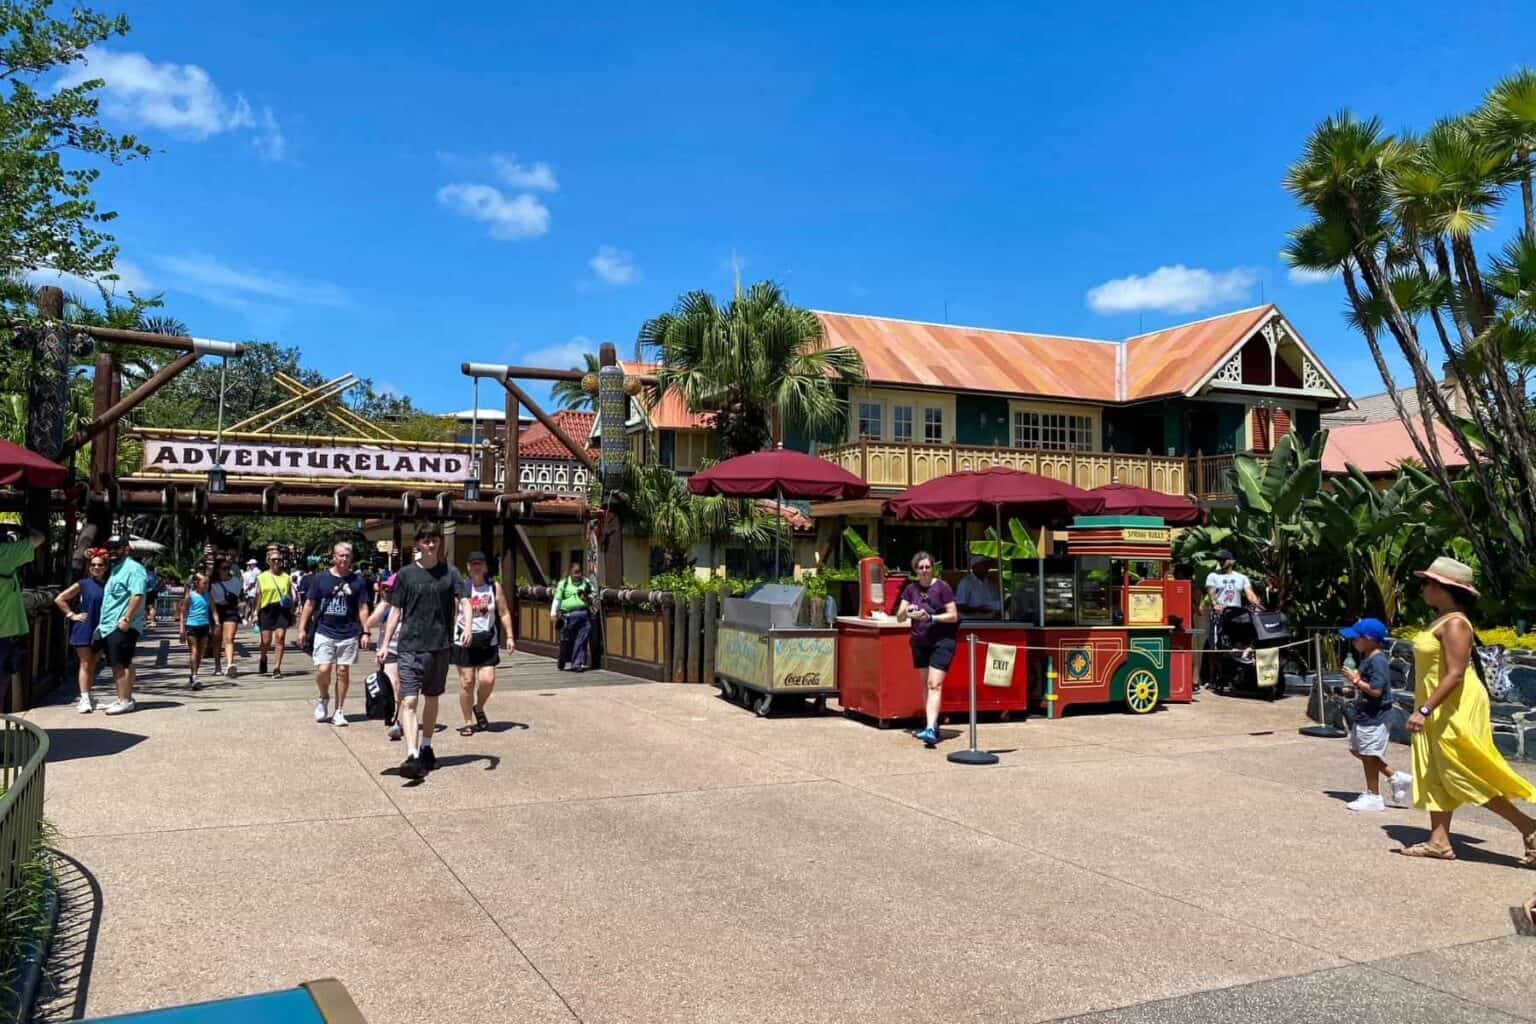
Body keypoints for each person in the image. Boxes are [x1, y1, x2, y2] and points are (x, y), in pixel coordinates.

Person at [1397, 557, 1536, 862]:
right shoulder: (1440, 619)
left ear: (1444, 588)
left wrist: (1424, 709)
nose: (1422, 588)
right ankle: (1439, 842)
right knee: (1435, 769)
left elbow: (1455, 673)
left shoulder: (1456, 623)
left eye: (1427, 582)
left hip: (1454, 704)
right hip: (1440, 705)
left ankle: (1529, 827)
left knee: (1462, 771)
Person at [381, 523, 469, 780]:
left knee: (432, 698)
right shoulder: (406, 574)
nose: (430, 544)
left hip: (440, 647)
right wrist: (385, 643)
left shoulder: (450, 573)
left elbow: (463, 600)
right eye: (425, 540)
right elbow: (396, 611)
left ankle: (427, 745)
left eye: (434, 540)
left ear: (439, 542)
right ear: (417, 544)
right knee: (409, 700)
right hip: (410, 647)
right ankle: (411, 754)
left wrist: (468, 626)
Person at [1338, 617, 1411, 812]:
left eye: (1357, 638)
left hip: (1375, 716)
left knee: (1369, 754)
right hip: (1365, 713)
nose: (1353, 642)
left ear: (1369, 639)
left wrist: (1355, 681)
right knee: (1358, 750)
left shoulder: (1378, 660)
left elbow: (1377, 691)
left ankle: (1374, 795)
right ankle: (1395, 777)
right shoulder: (1368, 658)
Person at [297, 542, 371, 727]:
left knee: (343, 671)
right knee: (323, 669)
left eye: (347, 555)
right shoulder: (321, 578)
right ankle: (323, 697)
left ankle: (339, 710)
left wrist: (366, 631)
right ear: (334, 557)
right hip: (325, 629)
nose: (344, 559)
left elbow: (363, 607)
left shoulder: (358, 581)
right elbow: (309, 604)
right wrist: (301, 629)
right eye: (340, 555)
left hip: (349, 631)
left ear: (351, 557)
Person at [895, 551, 958, 749]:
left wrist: (930, 618)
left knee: (934, 684)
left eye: (927, 567)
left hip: (942, 641)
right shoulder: (910, 589)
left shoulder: (942, 587)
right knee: (925, 685)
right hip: (919, 642)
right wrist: (909, 610)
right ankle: (932, 723)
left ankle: (930, 729)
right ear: (915, 570)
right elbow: (899, 616)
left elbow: (953, 615)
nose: (924, 571)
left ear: (933, 568)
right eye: (920, 568)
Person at [453, 551, 515, 735]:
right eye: (473, 564)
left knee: (487, 680)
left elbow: (503, 612)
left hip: (487, 640)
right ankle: (467, 722)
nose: (476, 567)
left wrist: (510, 636)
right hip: (464, 640)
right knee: (467, 682)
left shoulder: (494, 587)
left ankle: (478, 707)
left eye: (480, 563)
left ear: (486, 566)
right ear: (468, 567)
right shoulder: (462, 587)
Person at [95, 535, 148, 715]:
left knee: (121, 664)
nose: (112, 551)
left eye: (116, 547)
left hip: (123, 624)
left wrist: (126, 618)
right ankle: (123, 697)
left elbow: (137, 595)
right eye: (109, 547)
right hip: (109, 624)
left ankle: (125, 701)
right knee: (118, 663)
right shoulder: (116, 569)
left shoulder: (134, 569)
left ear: (126, 549)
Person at [54, 550, 107, 713]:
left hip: (101, 628)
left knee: (93, 664)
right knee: (84, 663)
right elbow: (59, 598)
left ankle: (89, 696)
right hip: (84, 627)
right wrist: (72, 615)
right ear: (89, 567)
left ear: (105, 567)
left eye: (100, 565)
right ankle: (83, 698)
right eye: (93, 565)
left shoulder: (109, 584)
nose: (96, 567)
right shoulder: (82, 583)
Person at [366, 573, 404, 740]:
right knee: (394, 685)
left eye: (392, 588)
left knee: (405, 688)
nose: (389, 590)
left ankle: (401, 717)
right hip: (389, 651)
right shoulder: (385, 606)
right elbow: (370, 622)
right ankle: (395, 721)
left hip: (409, 649)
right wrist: (385, 603)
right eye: (386, 588)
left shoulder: (409, 603)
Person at [255, 552, 295, 677]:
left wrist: (292, 611)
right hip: (267, 609)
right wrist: (255, 613)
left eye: (279, 559)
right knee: (266, 641)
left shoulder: (287, 577)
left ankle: (277, 667)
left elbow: (289, 595)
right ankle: (263, 657)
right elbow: (259, 596)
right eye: (273, 560)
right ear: (268, 561)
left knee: (280, 637)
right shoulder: (261, 577)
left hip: (281, 609)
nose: (276, 562)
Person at [551, 560, 594, 671]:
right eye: (575, 572)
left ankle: (577, 664)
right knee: (565, 640)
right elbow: (557, 599)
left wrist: (588, 598)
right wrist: (553, 613)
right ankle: (562, 659)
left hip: (583, 615)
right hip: (567, 616)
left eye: (579, 572)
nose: (578, 575)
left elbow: (594, 596)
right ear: (570, 572)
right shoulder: (564, 583)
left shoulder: (586, 582)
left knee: (581, 640)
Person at [179, 572, 218, 690]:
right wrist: (181, 629)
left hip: (204, 626)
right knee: (194, 651)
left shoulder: (208, 595)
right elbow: (183, 613)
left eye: (208, 583)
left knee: (201, 653)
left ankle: (193, 674)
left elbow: (213, 610)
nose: (206, 586)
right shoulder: (190, 596)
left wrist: (217, 622)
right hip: (192, 626)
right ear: (197, 583)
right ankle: (195, 676)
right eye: (204, 583)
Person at [210, 560, 242, 677]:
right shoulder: (212, 583)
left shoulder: (236, 581)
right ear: (218, 570)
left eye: (228, 568)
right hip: (216, 609)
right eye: (223, 568)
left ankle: (229, 664)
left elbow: (237, 596)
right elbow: (211, 601)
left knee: (229, 637)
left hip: (231, 610)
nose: (226, 571)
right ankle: (217, 665)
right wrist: (215, 617)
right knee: (217, 640)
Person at [955, 555, 1001, 619]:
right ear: (974, 567)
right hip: (972, 622)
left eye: (987, 566)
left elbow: (998, 604)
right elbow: (960, 606)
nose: (987, 568)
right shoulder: (966, 582)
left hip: (991, 620)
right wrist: (979, 609)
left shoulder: (991, 584)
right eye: (984, 565)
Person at [241, 558, 260, 624]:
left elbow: (252, 583)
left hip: (253, 592)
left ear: (253, 565)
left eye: (250, 564)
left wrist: (246, 589)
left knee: (251, 606)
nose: (249, 566)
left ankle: (251, 620)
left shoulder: (254, 572)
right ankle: (250, 619)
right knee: (251, 606)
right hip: (253, 592)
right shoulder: (257, 571)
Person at [143, 560, 160, 627]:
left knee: (144, 607)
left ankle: (145, 621)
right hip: (153, 591)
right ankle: (152, 621)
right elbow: (158, 582)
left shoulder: (146, 574)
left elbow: (145, 583)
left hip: (147, 591)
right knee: (152, 607)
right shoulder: (155, 575)